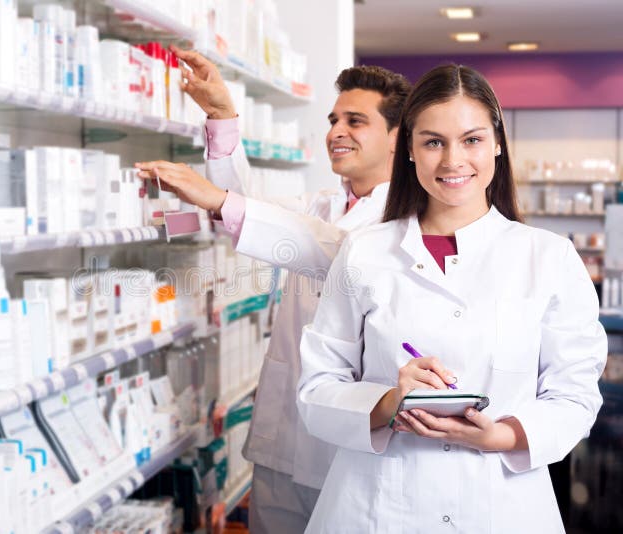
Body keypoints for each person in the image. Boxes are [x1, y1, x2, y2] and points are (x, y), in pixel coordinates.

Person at [297, 64, 607, 533]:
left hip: (502, 504)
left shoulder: (549, 258)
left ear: (498, 144)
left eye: (472, 140)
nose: (452, 160)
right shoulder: (364, 251)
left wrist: (502, 436)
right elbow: (317, 388)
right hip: (375, 507)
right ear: (409, 151)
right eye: (433, 141)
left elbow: (575, 395)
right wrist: (389, 401)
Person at [136, 48, 410, 533]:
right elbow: (255, 209)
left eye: (356, 120)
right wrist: (221, 115)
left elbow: (334, 250)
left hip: (349, 453)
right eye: (333, 119)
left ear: (397, 138)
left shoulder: (403, 222)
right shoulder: (323, 204)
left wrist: (220, 200)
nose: (335, 132)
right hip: (284, 441)